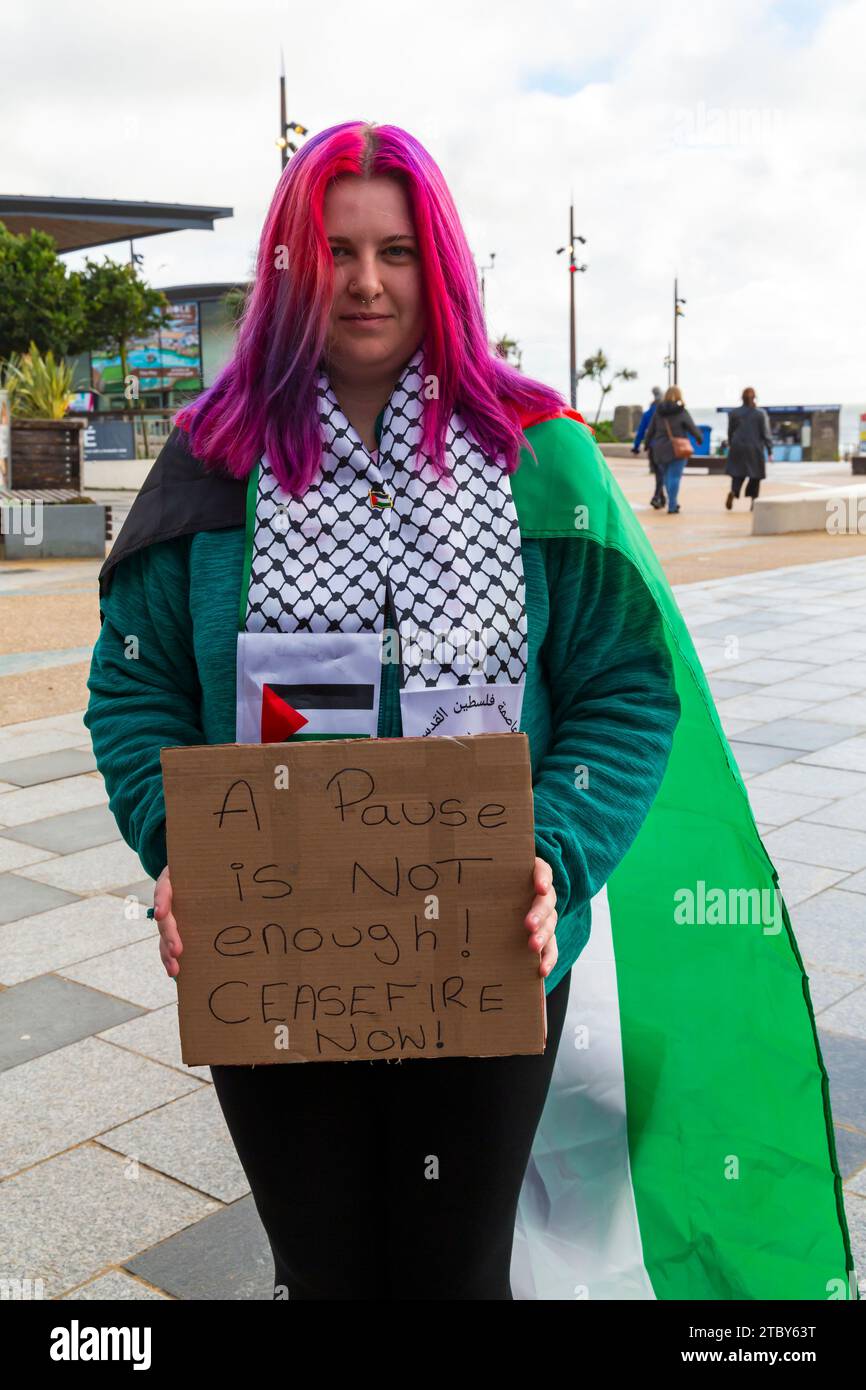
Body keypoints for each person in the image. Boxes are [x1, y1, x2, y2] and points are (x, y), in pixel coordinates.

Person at [84, 122, 852, 1302]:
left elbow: (622, 685)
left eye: (395, 249)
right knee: (324, 1271)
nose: (365, 282)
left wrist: (554, 848)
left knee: (453, 1274)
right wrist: (175, 842)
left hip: (486, 951)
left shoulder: (536, 456)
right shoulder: (208, 458)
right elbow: (133, 681)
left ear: (439, 263)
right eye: (332, 251)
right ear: (288, 269)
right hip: (272, 950)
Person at [642, 384, 703, 514]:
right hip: (677, 449)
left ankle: (672, 502)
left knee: (666, 477)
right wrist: (699, 438)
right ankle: (672, 505)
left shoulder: (658, 412)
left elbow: (651, 430)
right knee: (674, 477)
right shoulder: (681, 411)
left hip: (659, 449)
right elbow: (692, 427)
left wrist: (647, 444)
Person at [725, 386, 773, 510]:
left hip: (737, 447)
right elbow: (765, 433)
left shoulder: (734, 413)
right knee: (755, 475)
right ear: (754, 398)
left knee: (737, 473)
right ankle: (753, 501)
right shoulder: (760, 413)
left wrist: (731, 443)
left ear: (742, 398)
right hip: (754, 448)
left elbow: (730, 431)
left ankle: (734, 492)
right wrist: (770, 450)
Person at [631, 385, 665, 508]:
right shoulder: (665, 412)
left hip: (652, 447)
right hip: (665, 447)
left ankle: (660, 497)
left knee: (658, 473)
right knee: (662, 473)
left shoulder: (648, 413)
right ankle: (657, 496)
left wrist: (636, 446)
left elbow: (641, 431)